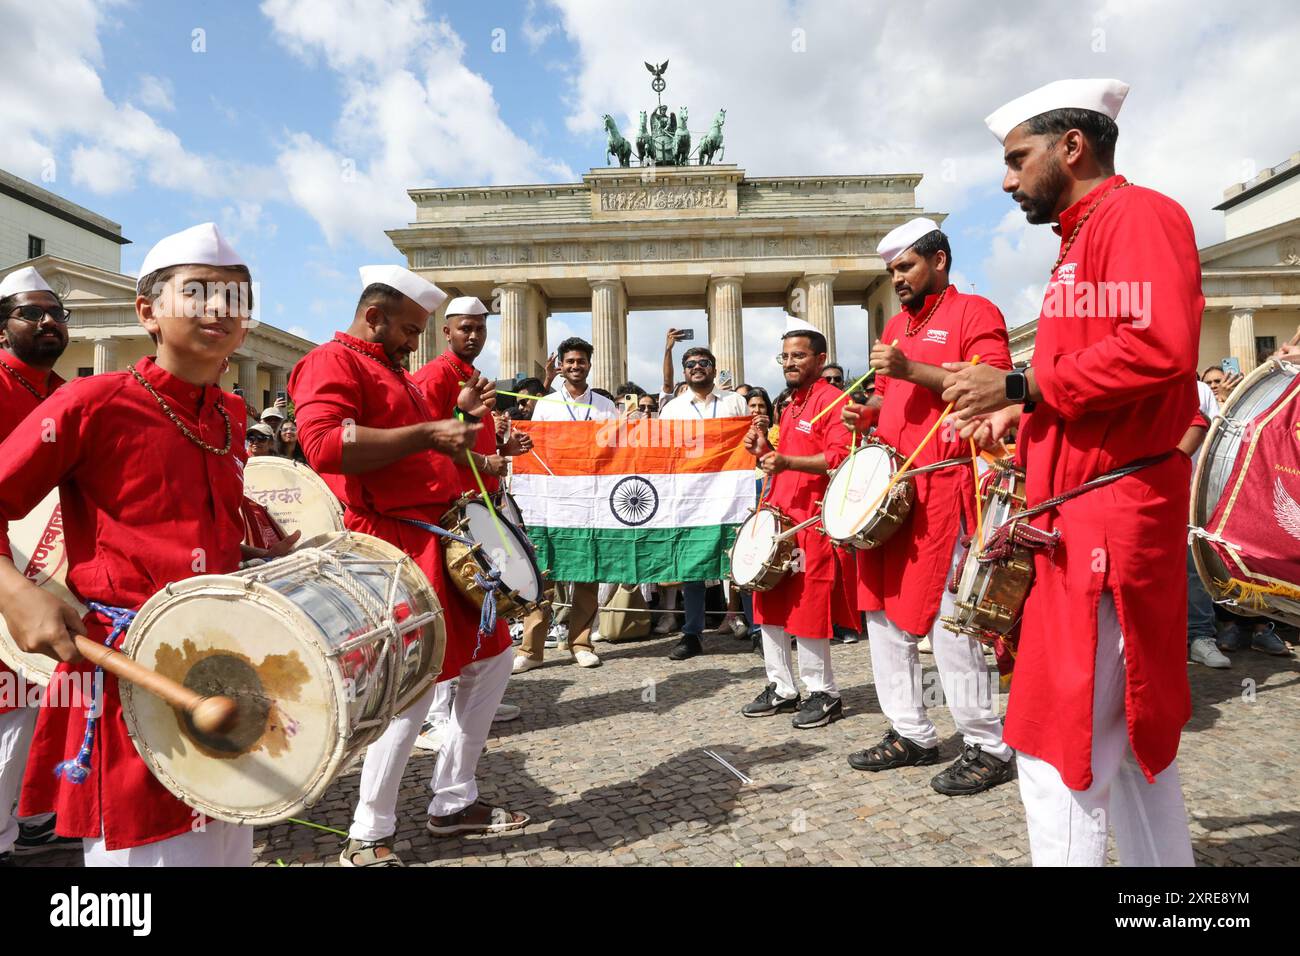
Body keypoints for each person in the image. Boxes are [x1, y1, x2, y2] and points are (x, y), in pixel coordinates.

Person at [945, 78, 1199, 866]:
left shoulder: (1139, 215)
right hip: (1080, 518)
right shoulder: (1081, 238)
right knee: (1122, 742)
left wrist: (1022, 386)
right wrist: (1022, 414)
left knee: (1063, 744)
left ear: (1072, 147)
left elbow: (1160, 349)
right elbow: (1098, 378)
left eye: (1018, 159)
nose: (1008, 178)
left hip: (1105, 528)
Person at [0, 223, 290, 866]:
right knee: (149, 856)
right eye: (199, 292)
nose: (221, 310)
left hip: (224, 657)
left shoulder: (231, 414)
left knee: (227, 839)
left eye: (237, 298)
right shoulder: (90, 402)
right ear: (147, 312)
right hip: (131, 664)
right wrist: (13, 588)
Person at [291, 266, 526, 867]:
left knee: (493, 656)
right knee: (411, 690)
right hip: (392, 545)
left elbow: (441, 449)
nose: (414, 344)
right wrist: (429, 429)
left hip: (438, 537)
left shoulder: (396, 373)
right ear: (374, 317)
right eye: (408, 330)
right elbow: (323, 445)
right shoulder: (330, 362)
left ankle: (453, 800)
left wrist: (466, 421)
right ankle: (369, 832)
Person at [841, 218, 1015, 796]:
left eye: (906, 267)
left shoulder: (977, 313)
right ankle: (910, 731)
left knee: (948, 622)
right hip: (892, 488)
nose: (898, 279)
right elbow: (892, 397)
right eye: (892, 271)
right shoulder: (895, 323)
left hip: (944, 487)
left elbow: (993, 383)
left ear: (939, 260)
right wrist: (865, 411)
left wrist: (909, 368)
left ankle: (987, 743)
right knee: (883, 617)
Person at [410, 295, 532, 750]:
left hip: (476, 504)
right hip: (448, 510)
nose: (474, 335)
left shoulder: (474, 377)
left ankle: (468, 702)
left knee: (476, 609)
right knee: (448, 609)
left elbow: (469, 431)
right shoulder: (435, 375)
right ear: (446, 331)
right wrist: (486, 459)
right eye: (465, 328)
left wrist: (504, 447)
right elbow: (427, 440)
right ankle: (431, 718)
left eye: (480, 328)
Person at [740, 319, 857, 729]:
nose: (789, 363)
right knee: (766, 601)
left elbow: (840, 459)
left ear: (820, 359)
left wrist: (786, 460)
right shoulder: (787, 403)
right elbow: (781, 458)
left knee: (808, 607)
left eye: (798, 355)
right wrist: (765, 450)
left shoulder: (834, 401)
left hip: (811, 521)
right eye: (785, 356)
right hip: (776, 517)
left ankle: (824, 693)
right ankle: (781, 687)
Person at [0, 266, 79, 863]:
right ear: (3, 329)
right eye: (32, 313)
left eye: (56, 313)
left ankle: (30, 819)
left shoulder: (66, 394)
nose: (49, 321)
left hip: (50, 569)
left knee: (39, 698)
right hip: (6, 572)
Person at [512, 337, 617, 674]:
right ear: (561, 366)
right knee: (543, 574)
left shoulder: (605, 405)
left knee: (588, 572)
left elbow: (617, 452)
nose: (575, 366)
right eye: (569, 361)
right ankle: (532, 650)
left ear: (589, 364)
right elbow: (536, 452)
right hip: (552, 500)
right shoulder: (547, 406)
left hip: (592, 500)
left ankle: (581, 643)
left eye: (581, 361)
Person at [657, 346, 748, 660]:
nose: (697, 368)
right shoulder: (672, 409)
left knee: (742, 562)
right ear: (684, 372)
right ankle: (692, 635)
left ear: (713, 368)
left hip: (732, 494)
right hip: (691, 497)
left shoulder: (736, 401)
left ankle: (758, 630)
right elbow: (665, 455)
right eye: (691, 364)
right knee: (693, 567)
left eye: (704, 363)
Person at [1181, 381, 1231, 668]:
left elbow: (1214, 438)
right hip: (1144, 494)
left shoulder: (1199, 390)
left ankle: (1200, 637)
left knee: (1195, 570)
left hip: (1192, 495)